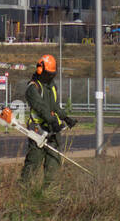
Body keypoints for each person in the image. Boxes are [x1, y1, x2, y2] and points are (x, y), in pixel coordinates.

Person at [20, 54, 77, 186]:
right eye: (48, 74)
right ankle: (24, 190)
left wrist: (65, 118)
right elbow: (41, 107)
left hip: (53, 133)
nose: (51, 77)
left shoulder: (52, 86)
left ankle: (51, 194)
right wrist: (52, 121)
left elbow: (55, 105)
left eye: (53, 74)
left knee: (53, 166)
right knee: (33, 164)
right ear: (40, 70)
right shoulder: (32, 88)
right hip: (38, 132)